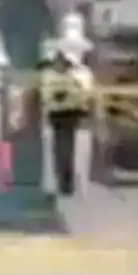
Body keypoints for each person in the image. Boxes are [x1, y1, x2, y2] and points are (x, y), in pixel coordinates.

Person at [39, 48, 94, 195]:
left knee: (65, 150)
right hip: (59, 116)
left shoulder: (70, 78)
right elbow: (46, 96)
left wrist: (66, 96)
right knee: (61, 150)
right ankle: (63, 180)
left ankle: (65, 182)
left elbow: (82, 95)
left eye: (62, 63)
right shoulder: (52, 77)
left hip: (68, 116)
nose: (60, 66)